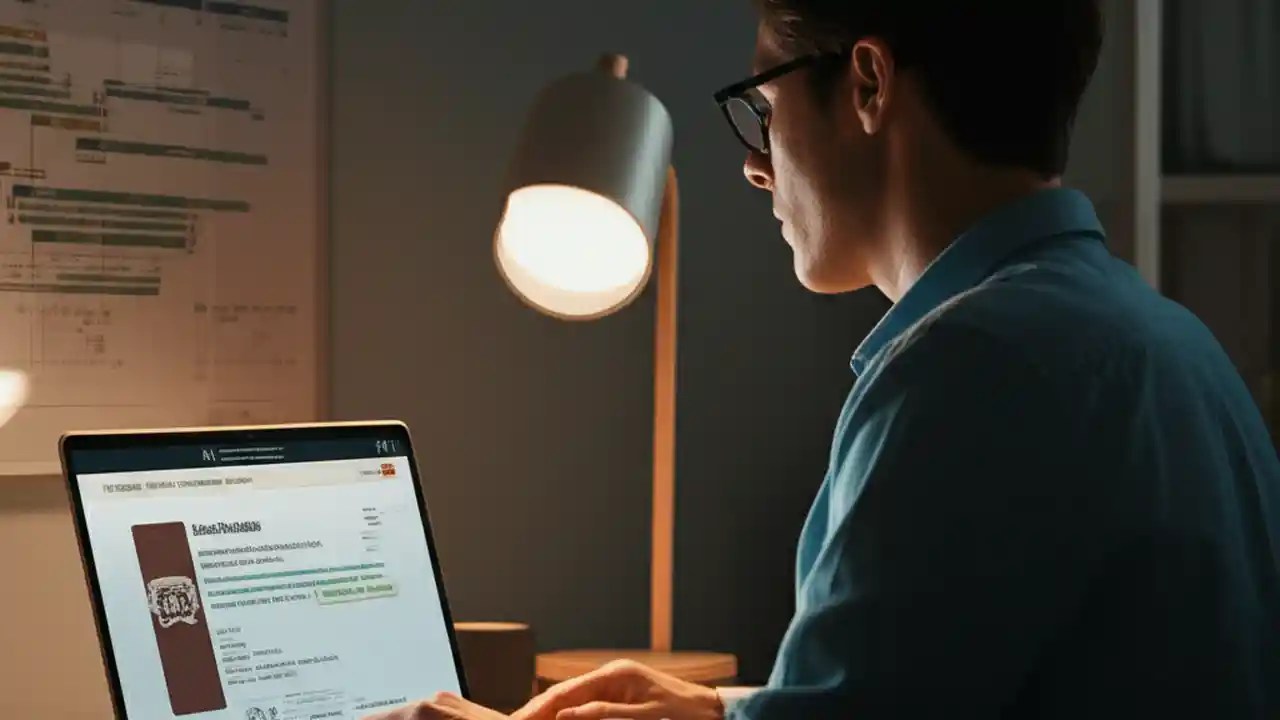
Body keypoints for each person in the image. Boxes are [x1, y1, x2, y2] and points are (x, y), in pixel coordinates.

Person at [372, 0, 1280, 717]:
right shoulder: (1164, 339)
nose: (756, 167)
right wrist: (728, 713)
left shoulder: (971, 368)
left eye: (765, 109)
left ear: (870, 84)